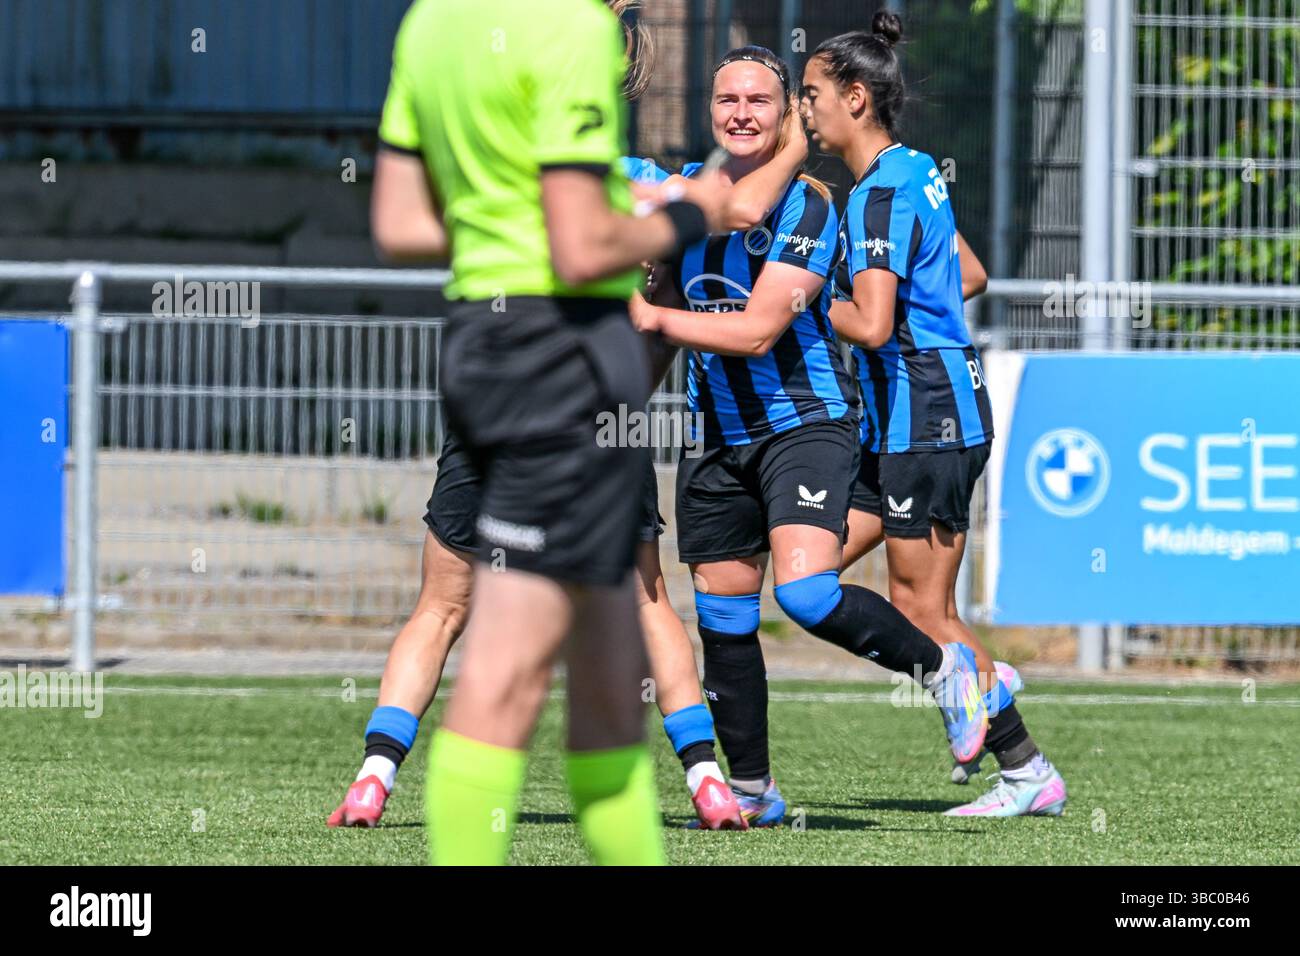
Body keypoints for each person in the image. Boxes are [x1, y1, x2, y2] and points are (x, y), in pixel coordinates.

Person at [367, 0, 735, 865]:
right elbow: (580, 249)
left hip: (486, 343)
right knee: (506, 668)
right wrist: (691, 214)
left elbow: (400, 226)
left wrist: (510, 217)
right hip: (558, 357)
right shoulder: (570, 30)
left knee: (611, 676)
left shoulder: (432, 25)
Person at [631, 44, 989, 828]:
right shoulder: (685, 193)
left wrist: (653, 314)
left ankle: (945, 670)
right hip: (716, 435)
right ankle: (753, 791)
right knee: (724, 619)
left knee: (804, 591)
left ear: (788, 108)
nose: (741, 114)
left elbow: (760, 331)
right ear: (711, 111)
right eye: (727, 100)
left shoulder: (812, 203)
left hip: (806, 424)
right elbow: (605, 198)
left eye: (760, 101)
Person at [802, 12, 1067, 816]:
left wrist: (796, 303)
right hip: (905, 416)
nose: (802, 109)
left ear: (855, 98)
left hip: (929, 414)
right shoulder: (915, 172)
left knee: (923, 610)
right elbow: (972, 274)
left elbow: (875, 325)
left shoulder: (878, 195)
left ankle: (1025, 771)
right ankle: (982, 680)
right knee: (807, 577)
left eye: (811, 94)